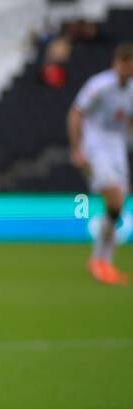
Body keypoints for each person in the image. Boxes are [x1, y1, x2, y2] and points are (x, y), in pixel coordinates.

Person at [68, 43, 133, 285]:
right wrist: (77, 148)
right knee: (114, 198)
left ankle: (102, 261)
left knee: (118, 205)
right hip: (96, 143)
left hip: (117, 146)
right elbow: (76, 112)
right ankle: (100, 260)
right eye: (125, 63)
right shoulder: (99, 85)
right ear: (117, 63)